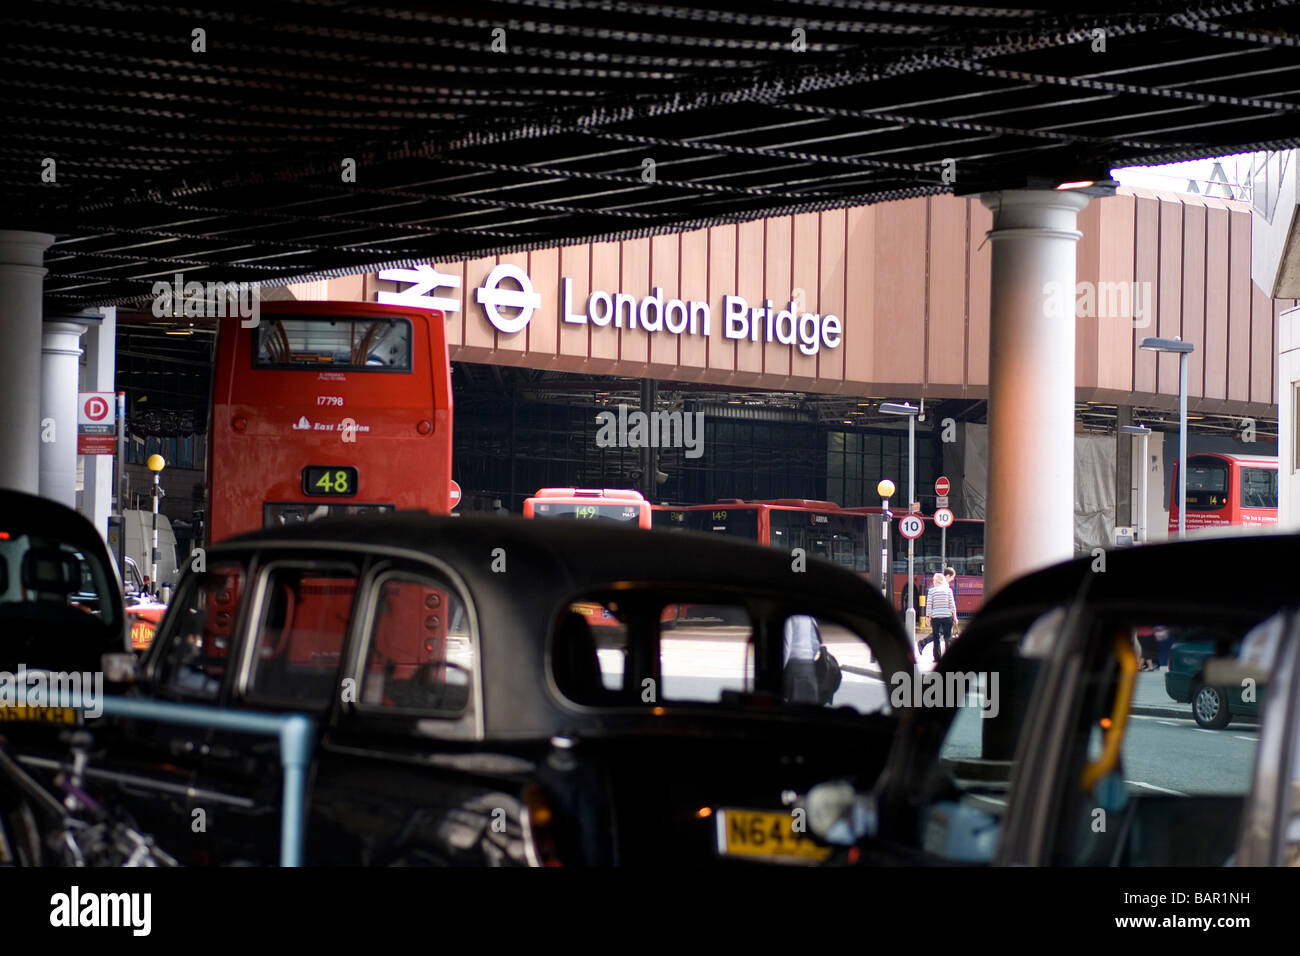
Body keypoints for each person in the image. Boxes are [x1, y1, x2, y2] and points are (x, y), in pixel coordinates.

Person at [782, 614, 821, 704]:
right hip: (809, 667)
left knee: (792, 707)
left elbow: (786, 645)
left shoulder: (790, 617)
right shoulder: (809, 617)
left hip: (793, 667)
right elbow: (816, 642)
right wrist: (809, 657)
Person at [922, 572, 955, 663]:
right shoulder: (948, 590)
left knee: (936, 638)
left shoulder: (931, 591)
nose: (932, 581)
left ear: (936, 581)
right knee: (948, 637)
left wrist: (928, 618)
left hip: (935, 617)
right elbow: (952, 605)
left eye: (933, 580)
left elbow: (929, 605)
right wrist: (955, 617)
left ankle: (937, 658)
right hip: (947, 616)